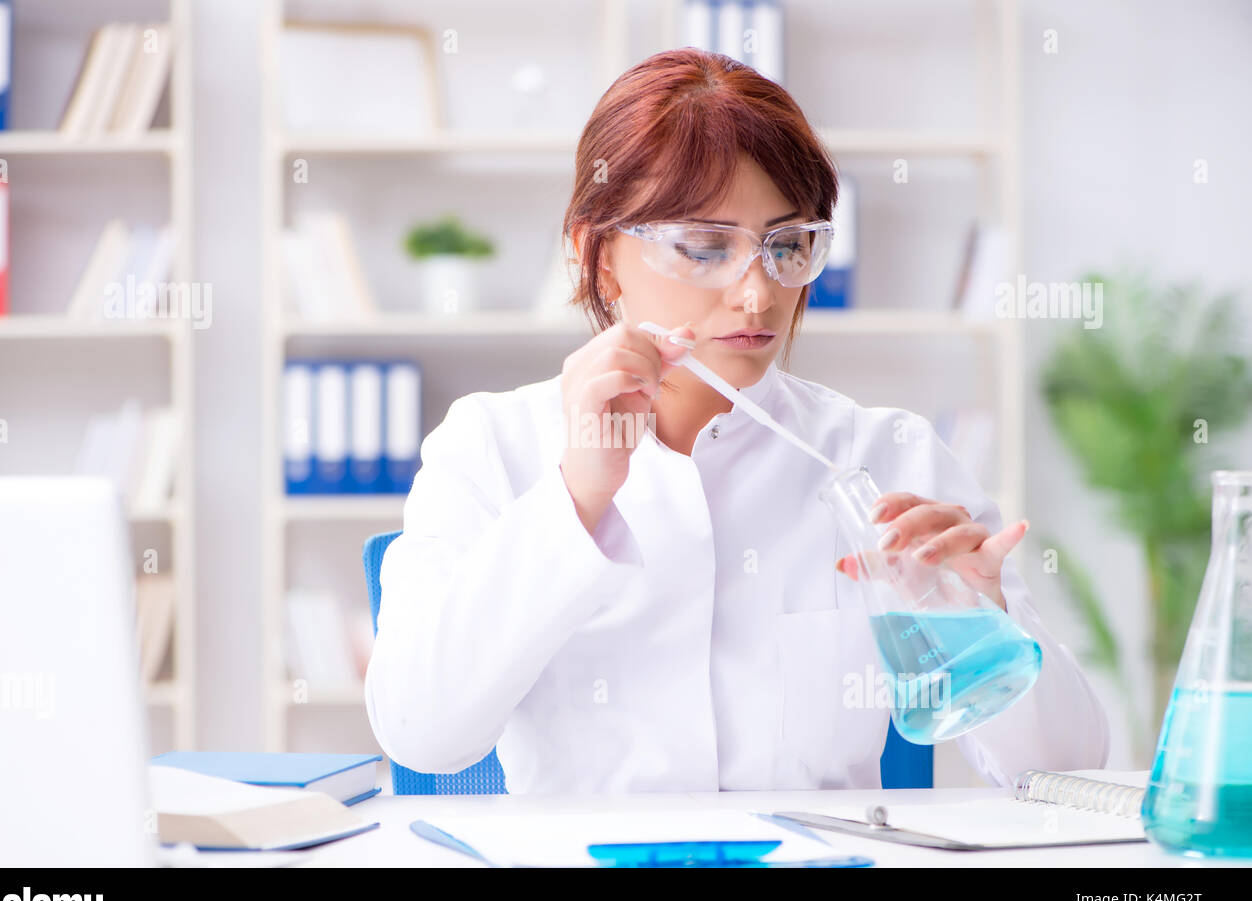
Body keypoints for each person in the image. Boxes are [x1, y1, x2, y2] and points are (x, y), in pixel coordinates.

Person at [364, 48, 1109, 793]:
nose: (758, 293)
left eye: (787, 245)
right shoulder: (492, 445)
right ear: (597, 258)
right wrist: (575, 496)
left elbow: (1068, 775)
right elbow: (422, 736)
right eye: (704, 246)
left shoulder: (888, 454)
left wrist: (982, 619)